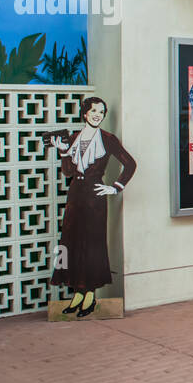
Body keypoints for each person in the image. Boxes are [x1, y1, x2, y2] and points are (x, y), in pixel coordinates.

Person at [49, 96, 136, 318]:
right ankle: (78, 293)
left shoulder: (108, 139)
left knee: (93, 244)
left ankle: (89, 294)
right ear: (85, 113)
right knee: (71, 242)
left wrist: (115, 187)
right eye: (94, 110)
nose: (98, 115)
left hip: (95, 198)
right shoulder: (74, 138)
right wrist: (63, 152)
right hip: (75, 195)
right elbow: (68, 172)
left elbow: (130, 164)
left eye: (101, 112)